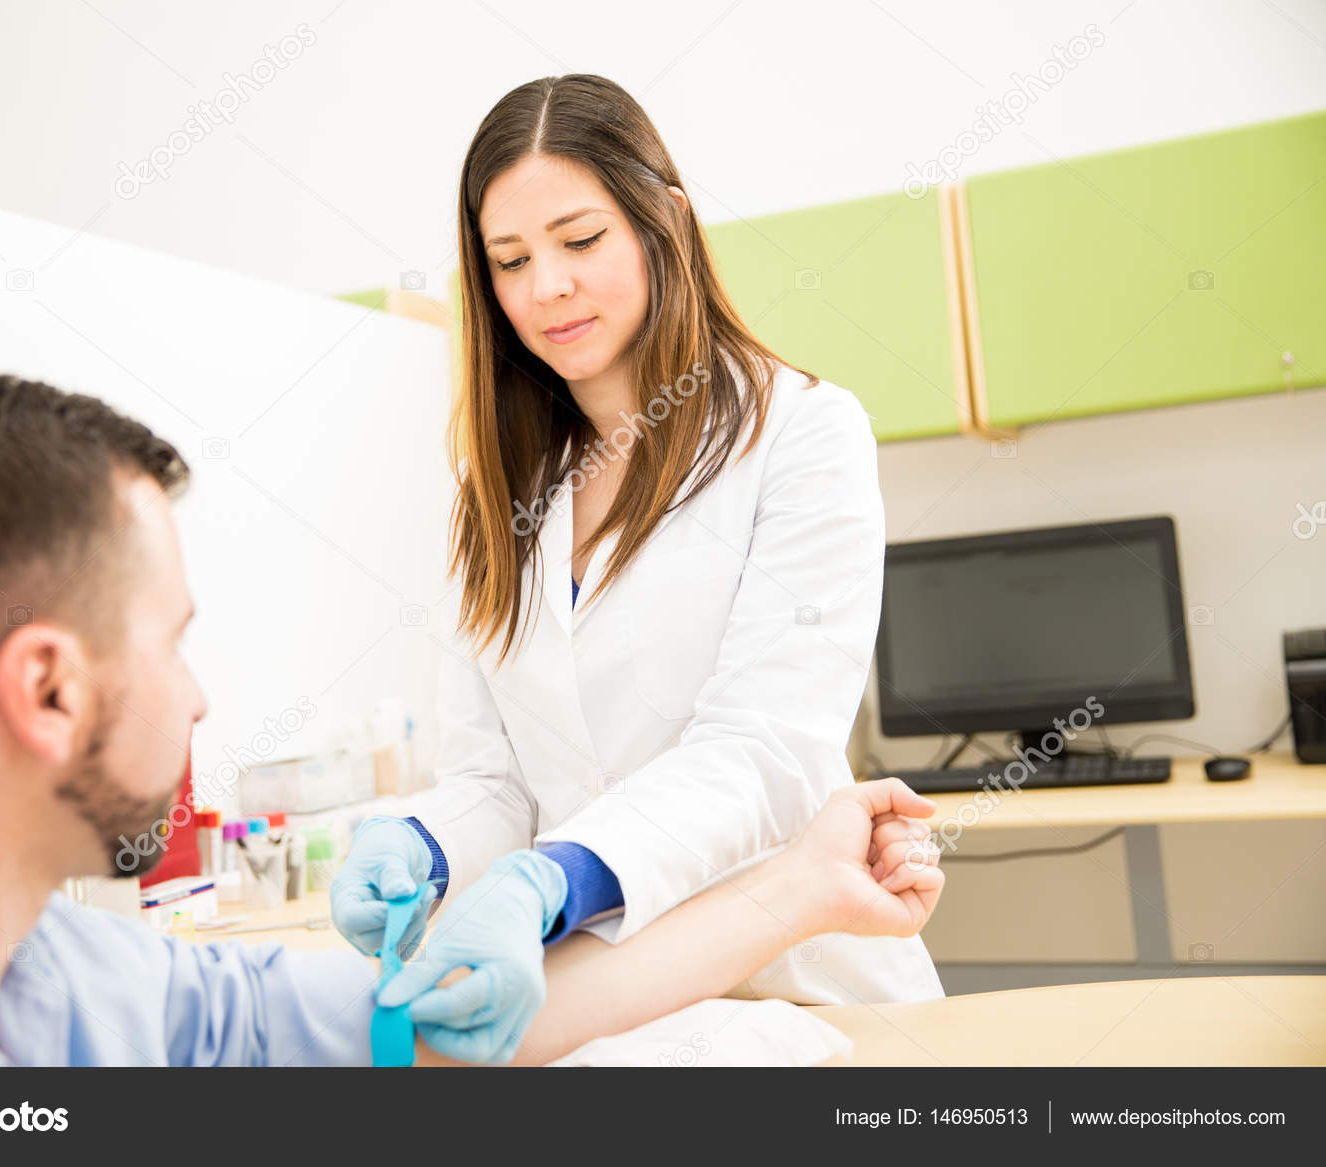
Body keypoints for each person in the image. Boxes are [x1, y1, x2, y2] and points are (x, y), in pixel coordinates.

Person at [0, 372, 942, 1067]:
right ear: (48, 691)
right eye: (172, 640)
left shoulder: (81, 976)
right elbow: (493, 776)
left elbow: (437, 1030)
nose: (199, 696)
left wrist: (802, 889)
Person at [332, 73, 944, 1063]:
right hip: (603, 989)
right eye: (509, 260)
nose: (545, 288)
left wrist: (557, 877)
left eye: (580, 241)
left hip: (795, 978)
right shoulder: (496, 488)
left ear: (665, 221)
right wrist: (422, 845)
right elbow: (495, 778)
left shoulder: (800, 435)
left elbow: (761, 751)